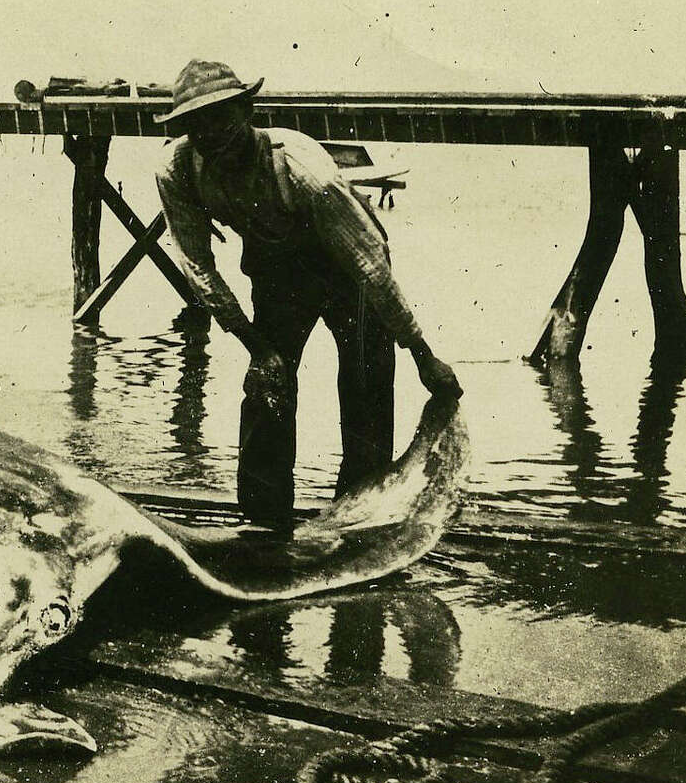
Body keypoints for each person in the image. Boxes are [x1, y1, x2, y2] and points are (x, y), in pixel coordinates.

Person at [153, 59, 461, 529]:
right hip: (277, 273)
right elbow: (198, 266)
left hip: (349, 272)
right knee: (267, 386)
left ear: (247, 110)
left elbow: (371, 265)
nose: (211, 134)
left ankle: (361, 512)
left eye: (220, 118)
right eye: (196, 125)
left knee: (365, 390)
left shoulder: (299, 167)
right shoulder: (177, 169)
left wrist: (423, 354)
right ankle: (263, 520)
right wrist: (256, 346)